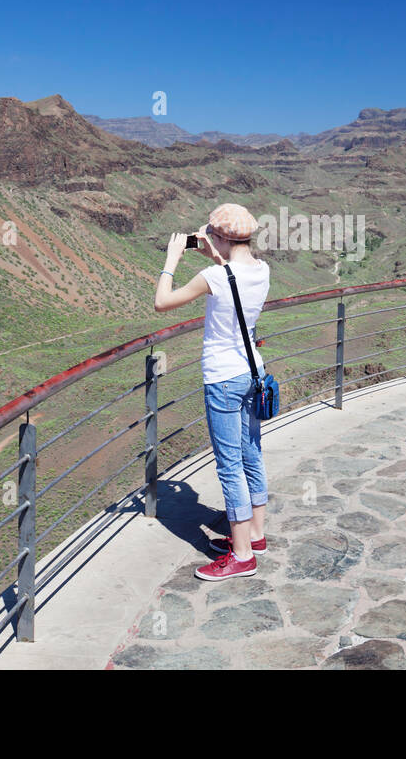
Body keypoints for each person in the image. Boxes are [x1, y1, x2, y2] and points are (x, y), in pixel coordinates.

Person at [154, 203, 271, 581]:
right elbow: (231, 274)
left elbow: (162, 302)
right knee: (251, 452)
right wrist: (216, 252)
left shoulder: (213, 277)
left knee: (229, 465)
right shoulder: (261, 269)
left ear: (220, 237)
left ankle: (241, 556)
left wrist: (172, 260)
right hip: (253, 373)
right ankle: (255, 534)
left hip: (222, 379)